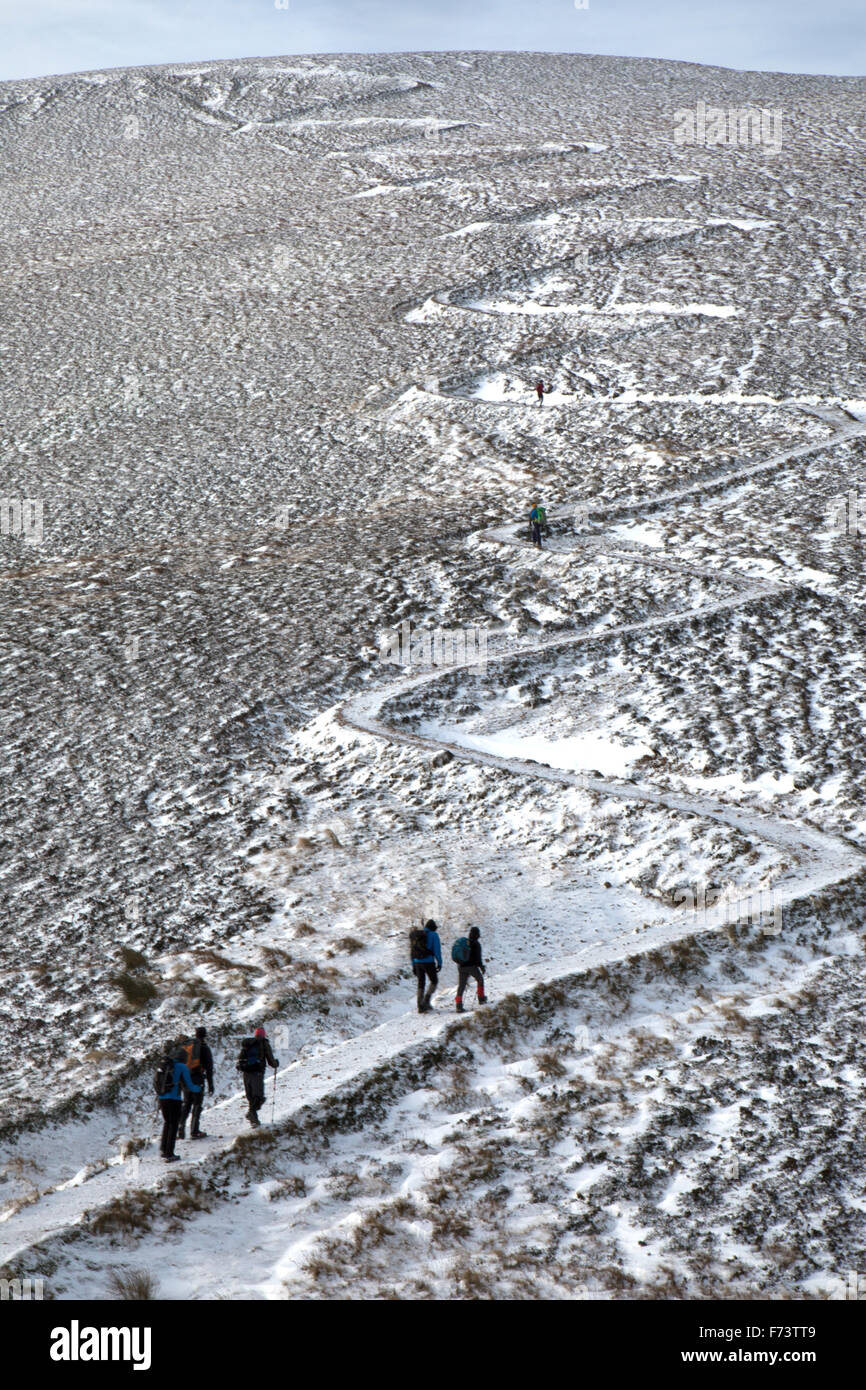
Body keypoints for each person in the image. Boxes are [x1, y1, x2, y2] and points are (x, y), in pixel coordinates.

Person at [157, 1041, 202, 1162]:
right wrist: (199, 1088)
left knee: (167, 1123)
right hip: (174, 1099)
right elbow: (189, 1085)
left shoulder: (164, 1065)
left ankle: (163, 1149)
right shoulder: (182, 1067)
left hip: (162, 1099)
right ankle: (169, 1153)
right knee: (174, 1124)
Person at [237, 1026, 279, 1128]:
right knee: (259, 1097)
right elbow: (270, 1059)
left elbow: (240, 1059)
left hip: (246, 1073)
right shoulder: (264, 1043)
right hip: (257, 1073)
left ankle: (253, 1120)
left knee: (251, 1097)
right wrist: (275, 1064)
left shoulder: (247, 1044)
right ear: (263, 1034)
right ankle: (251, 1114)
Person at [178, 1027, 214, 1140]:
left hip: (185, 1079)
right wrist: (210, 1084)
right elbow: (209, 1068)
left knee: (187, 1103)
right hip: (197, 1079)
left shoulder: (188, 1047)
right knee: (197, 1104)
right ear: (205, 1035)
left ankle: (180, 1127)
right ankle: (194, 1131)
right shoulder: (204, 1048)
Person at [412, 919, 442, 1014]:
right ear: (433, 928)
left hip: (417, 961)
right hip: (428, 962)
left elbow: (412, 951)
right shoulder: (434, 935)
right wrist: (440, 963)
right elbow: (437, 950)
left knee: (421, 983)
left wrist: (413, 964)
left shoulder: (416, 936)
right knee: (434, 981)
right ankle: (426, 1001)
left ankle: (420, 1006)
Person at [456, 926, 488, 1012]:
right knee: (480, 979)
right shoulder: (476, 944)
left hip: (461, 967)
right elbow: (478, 959)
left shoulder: (465, 942)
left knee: (461, 985)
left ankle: (458, 1005)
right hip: (471, 967)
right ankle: (481, 998)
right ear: (477, 935)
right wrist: (481, 967)